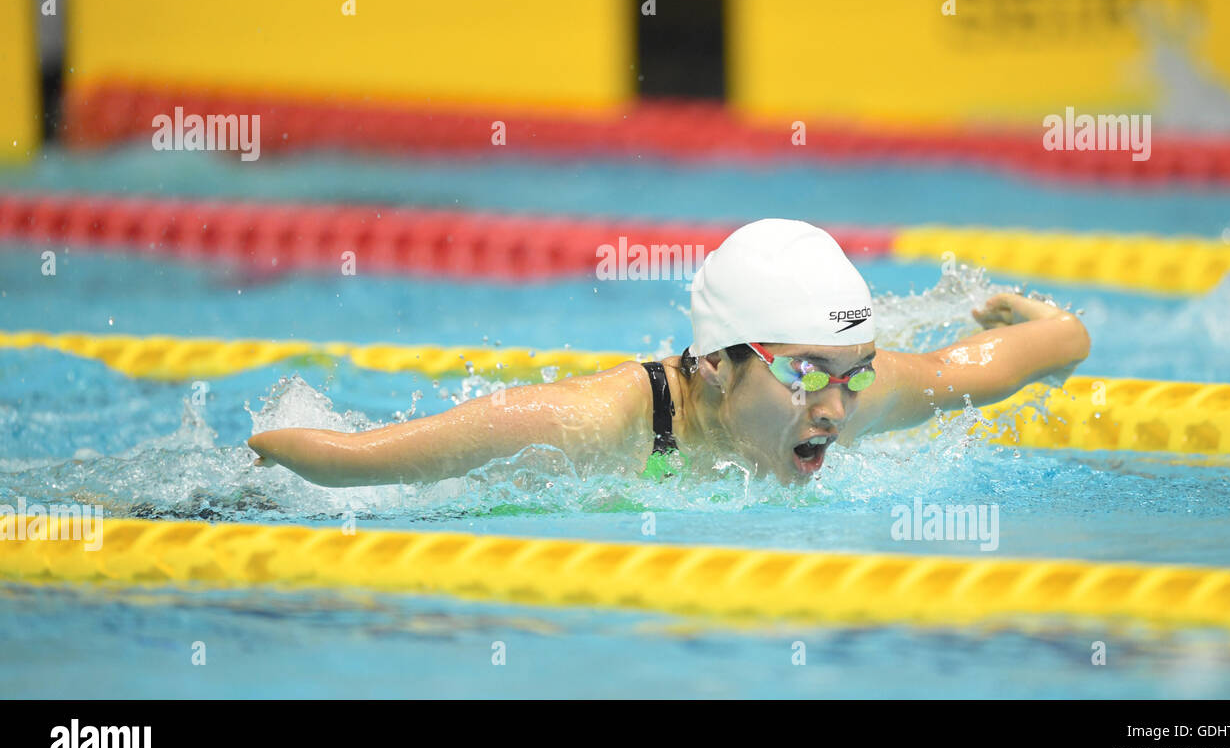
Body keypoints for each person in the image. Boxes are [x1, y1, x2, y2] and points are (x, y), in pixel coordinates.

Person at [248, 219, 1090, 487]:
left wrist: (1040, 321)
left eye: (853, 373)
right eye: (804, 375)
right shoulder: (587, 426)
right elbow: (345, 464)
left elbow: (1043, 349)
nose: (833, 409)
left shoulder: (852, 402)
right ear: (718, 364)